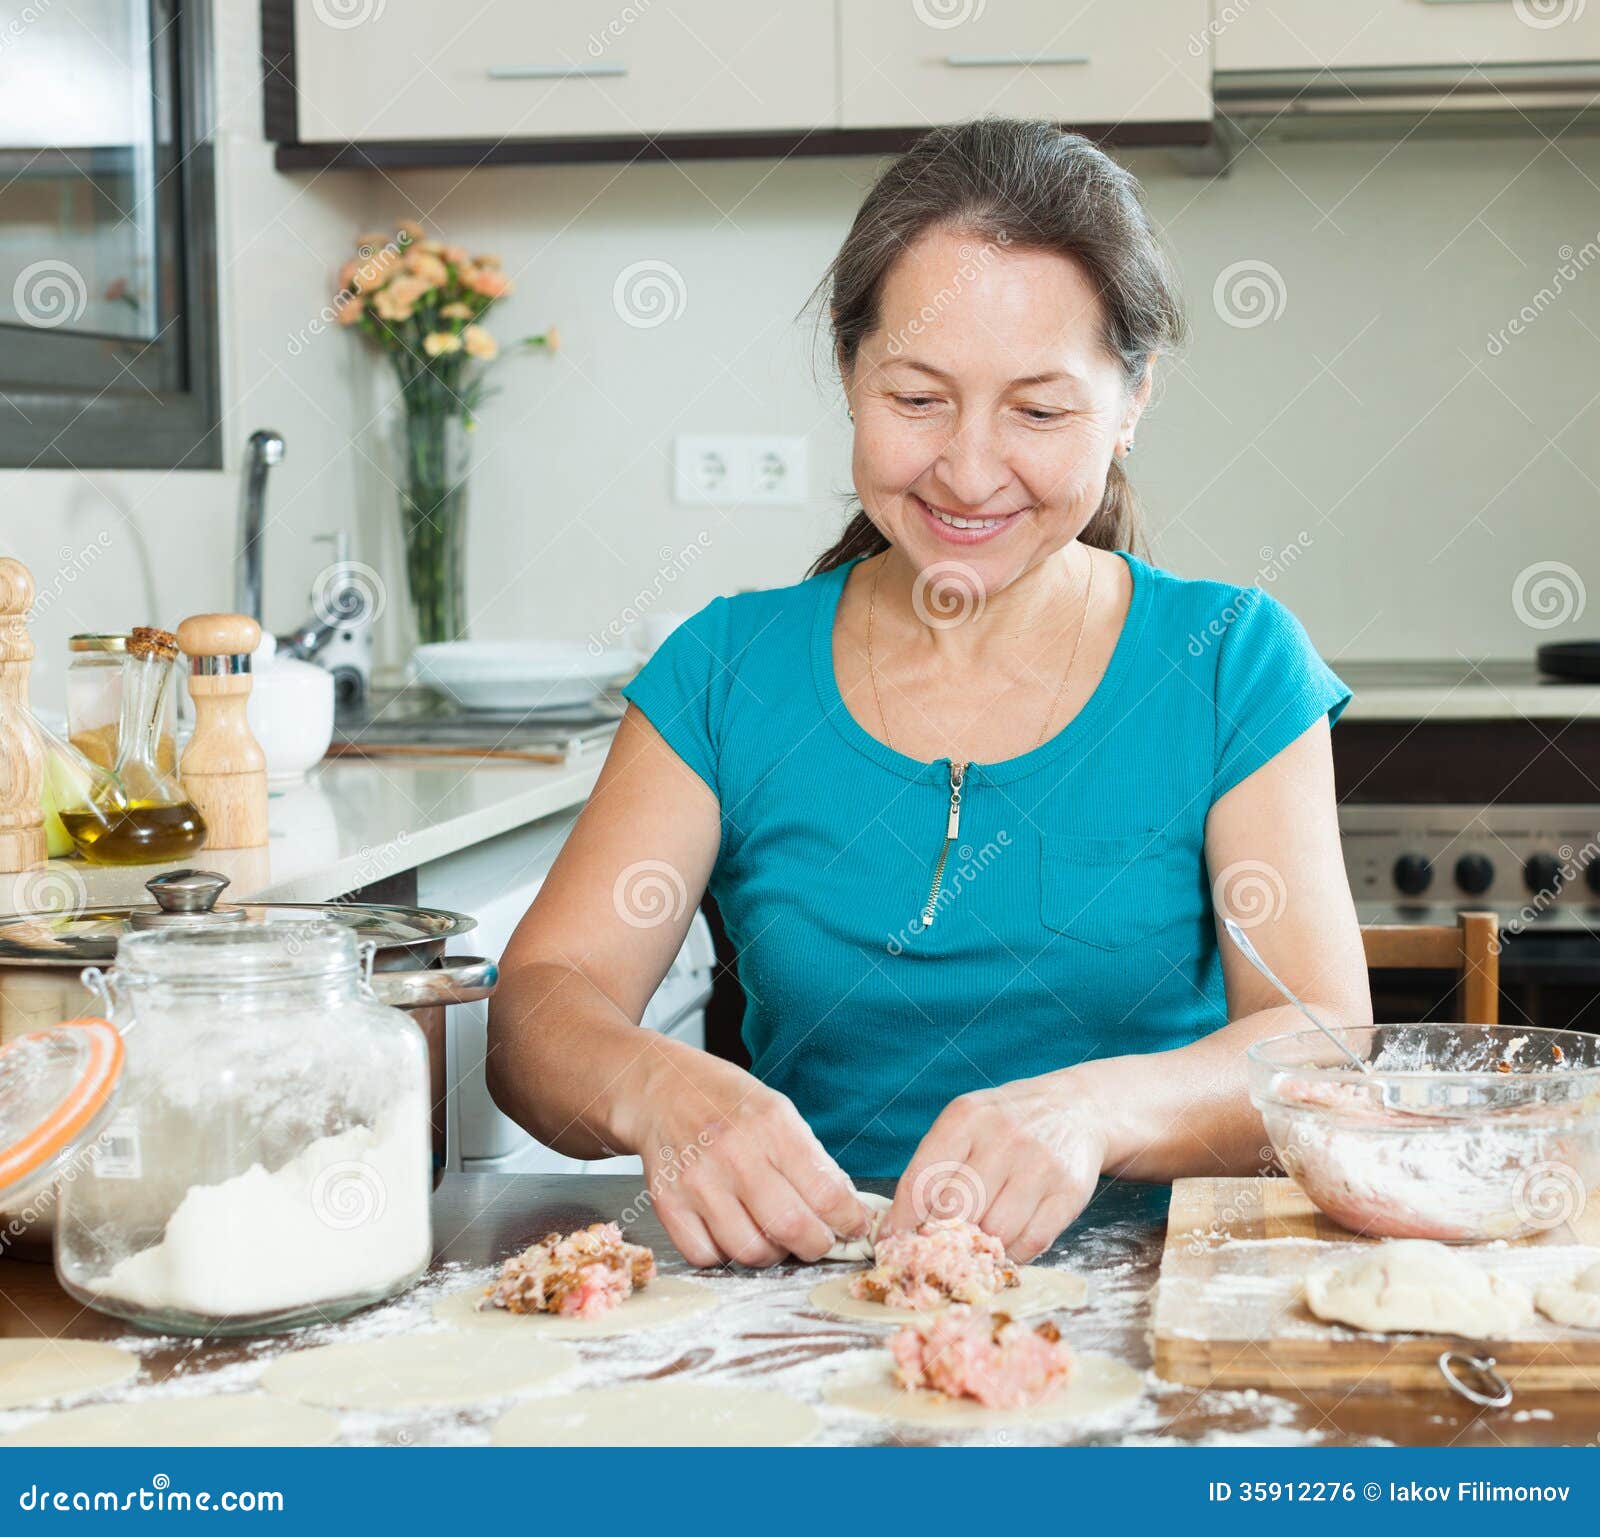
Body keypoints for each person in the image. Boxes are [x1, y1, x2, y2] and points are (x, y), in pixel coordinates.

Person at [487, 118, 1371, 1269]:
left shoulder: (1226, 659)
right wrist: (655, 1088)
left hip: (1158, 1316)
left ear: (1134, 399)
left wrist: (1088, 1114)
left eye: (1039, 411)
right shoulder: (723, 672)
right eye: (916, 399)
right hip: (802, 1313)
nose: (965, 470)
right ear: (849, 371)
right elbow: (539, 1009)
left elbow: (1317, 1049)